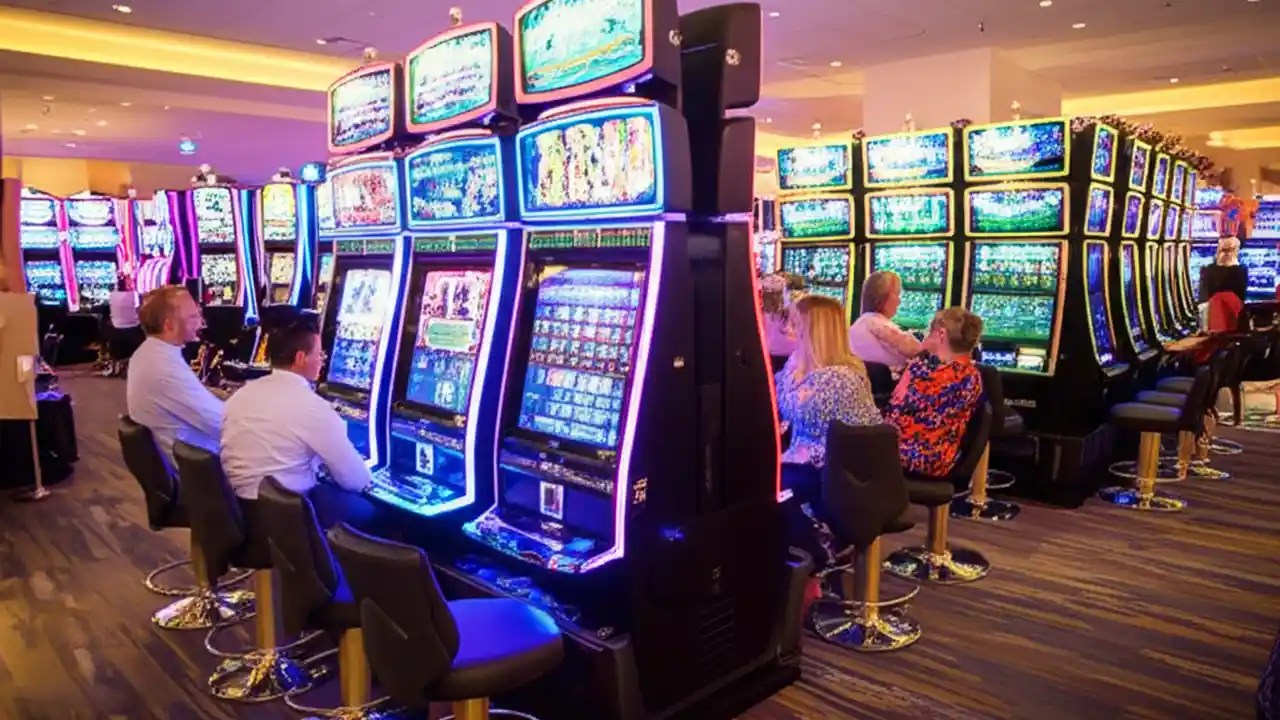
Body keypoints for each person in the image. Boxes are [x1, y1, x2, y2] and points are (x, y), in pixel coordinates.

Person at [220, 307, 374, 528]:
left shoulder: (242, 394)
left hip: (237, 511)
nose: (322, 362)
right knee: (369, 511)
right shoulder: (313, 407)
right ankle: (322, 562)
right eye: (319, 354)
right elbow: (355, 480)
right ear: (301, 358)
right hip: (281, 519)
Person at [775, 294, 882, 565]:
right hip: (810, 461)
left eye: (795, 323)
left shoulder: (841, 377)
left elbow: (793, 407)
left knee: (767, 489)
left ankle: (816, 550)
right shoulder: (799, 364)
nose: (789, 328)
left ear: (814, 329)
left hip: (841, 472)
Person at [126, 286, 224, 462]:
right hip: (199, 466)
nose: (201, 323)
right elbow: (222, 424)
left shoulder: (149, 353)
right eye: (193, 317)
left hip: (189, 456)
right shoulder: (162, 365)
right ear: (169, 325)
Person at [884, 307, 985, 477]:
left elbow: (893, 414)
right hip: (942, 459)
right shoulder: (973, 376)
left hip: (912, 456)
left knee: (845, 446)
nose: (926, 334)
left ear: (942, 334)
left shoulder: (921, 370)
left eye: (930, 331)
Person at [848, 270, 922, 373]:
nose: (899, 301)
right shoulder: (878, 324)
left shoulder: (859, 323)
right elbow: (917, 351)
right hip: (888, 385)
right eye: (896, 294)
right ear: (883, 297)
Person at [1198, 236, 1249, 325]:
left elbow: (1241, 299)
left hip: (1229, 318)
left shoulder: (1241, 270)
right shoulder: (1241, 270)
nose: (1227, 254)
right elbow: (1203, 299)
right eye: (1224, 250)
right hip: (1214, 317)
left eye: (1230, 250)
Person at [106, 274, 143, 377]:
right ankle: (132, 362)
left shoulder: (112, 295)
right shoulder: (133, 294)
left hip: (116, 327)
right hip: (132, 328)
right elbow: (139, 309)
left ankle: (116, 364)